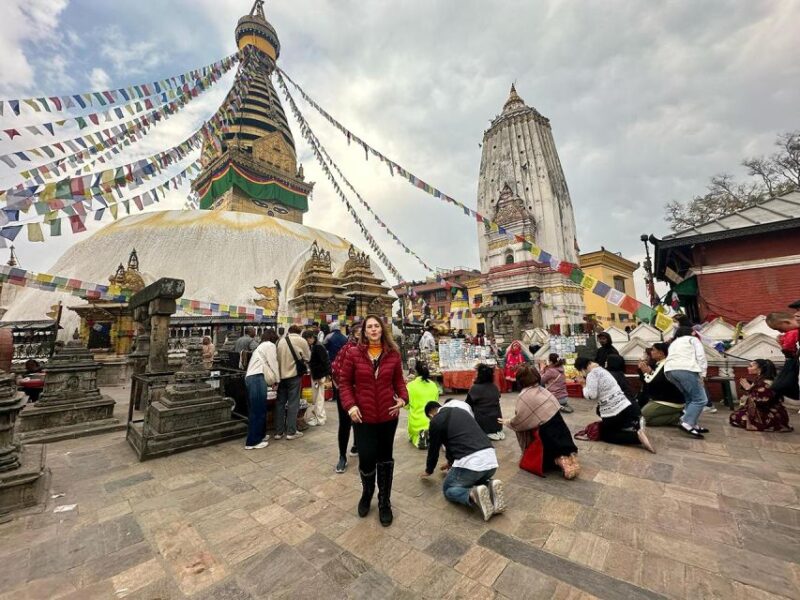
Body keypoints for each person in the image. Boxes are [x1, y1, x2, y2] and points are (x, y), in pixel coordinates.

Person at [339, 314, 408, 526]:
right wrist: (350, 406)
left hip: (388, 415)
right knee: (367, 457)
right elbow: (344, 384)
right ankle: (367, 492)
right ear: (364, 331)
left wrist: (404, 399)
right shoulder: (353, 354)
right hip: (364, 417)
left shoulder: (393, 355)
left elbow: (399, 381)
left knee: (385, 458)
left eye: (376, 326)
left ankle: (384, 500)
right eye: (369, 327)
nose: (373, 330)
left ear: (382, 329)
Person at [421, 399, 505, 521]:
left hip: (471, 464)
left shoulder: (436, 421)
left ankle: (472, 494)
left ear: (430, 414)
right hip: (491, 461)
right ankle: (489, 484)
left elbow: (433, 449)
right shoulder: (460, 412)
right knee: (473, 479)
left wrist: (429, 470)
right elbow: (458, 441)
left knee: (449, 489)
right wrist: (450, 463)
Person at [499, 365, 580, 479]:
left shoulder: (524, 396)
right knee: (563, 448)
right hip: (561, 429)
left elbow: (521, 421)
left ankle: (560, 461)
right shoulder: (543, 390)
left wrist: (509, 422)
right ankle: (568, 457)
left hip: (546, 435)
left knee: (533, 458)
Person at [574, 356, 655, 452]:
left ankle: (636, 437)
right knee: (609, 426)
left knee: (605, 434)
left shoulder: (592, 374)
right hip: (624, 405)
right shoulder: (602, 370)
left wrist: (583, 384)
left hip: (612, 411)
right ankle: (634, 426)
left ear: (582, 368)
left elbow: (591, 396)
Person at [663, 326, 710, 438]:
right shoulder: (692, 339)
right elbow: (701, 357)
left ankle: (692, 423)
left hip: (669, 371)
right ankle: (687, 422)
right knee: (700, 399)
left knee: (690, 398)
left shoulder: (673, 343)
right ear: (691, 333)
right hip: (686, 369)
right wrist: (703, 374)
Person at [730, 359, 793, 432]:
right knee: (735, 415)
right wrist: (750, 388)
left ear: (760, 368)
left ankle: (766, 424)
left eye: (751, 366)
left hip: (769, 413)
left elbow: (761, 400)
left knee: (735, 417)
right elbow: (756, 391)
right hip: (763, 410)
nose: (748, 368)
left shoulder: (766, 382)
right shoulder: (760, 378)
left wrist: (749, 389)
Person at [331, 322, 361, 473]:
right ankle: (342, 456)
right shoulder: (348, 349)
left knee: (360, 420)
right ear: (355, 334)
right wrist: (343, 386)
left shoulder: (371, 349)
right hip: (346, 391)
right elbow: (336, 368)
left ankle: (356, 445)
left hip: (363, 393)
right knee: (344, 424)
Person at [243, 328, 279, 450]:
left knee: (259, 409)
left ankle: (260, 435)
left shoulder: (261, 346)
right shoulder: (269, 345)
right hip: (257, 378)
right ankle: (252, 441)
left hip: (253, 377)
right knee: (258, 410)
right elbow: (273, 363)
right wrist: (277, 380)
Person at [275, 325, 311, 440]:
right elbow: (308, 357)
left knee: (280, 403)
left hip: (281, 376)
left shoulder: (280, 341)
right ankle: (291, 431)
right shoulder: (301, 341)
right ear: (299, 332)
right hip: (294, 375)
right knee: (293, 403)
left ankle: (278, 432)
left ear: (288, 331)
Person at [639, 343, 685, 427]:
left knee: (642, 418)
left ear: (661, 353)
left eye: (653, 350)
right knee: (643, 420)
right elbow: (657, 379)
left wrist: (645, 372)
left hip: (669, 401)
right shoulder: (661, 363)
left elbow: (651, 381)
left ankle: (679, 417)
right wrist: (648, 372)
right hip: (662, 398)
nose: (651, 352)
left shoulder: (665, 364)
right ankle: (675, 418)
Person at [465, 363, 504, 440]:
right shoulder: (494, 387)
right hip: (497, 423)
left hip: (483, 423)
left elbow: (467, 404)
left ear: (479, 375)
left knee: (467, 408)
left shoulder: (475, 388)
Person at [405, 361, 438, 448]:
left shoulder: (410, 386)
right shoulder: (433, 385)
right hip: (432, 421)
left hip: (416, 422)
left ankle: (420, 438)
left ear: (416, 371)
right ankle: (430, 436)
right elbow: (435, 403)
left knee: (412, 436)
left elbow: (406, 405)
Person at [302, 329, 330, 427]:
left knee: (319, 398)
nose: (306, 343)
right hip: (317, 375)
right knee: (317, 398)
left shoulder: (318, 347)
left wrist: (324, 376)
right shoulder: (315, 345)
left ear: (310, 338)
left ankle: (320, 419)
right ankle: (319, 416)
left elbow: (325, 362)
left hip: (319, 376)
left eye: (306, 340)